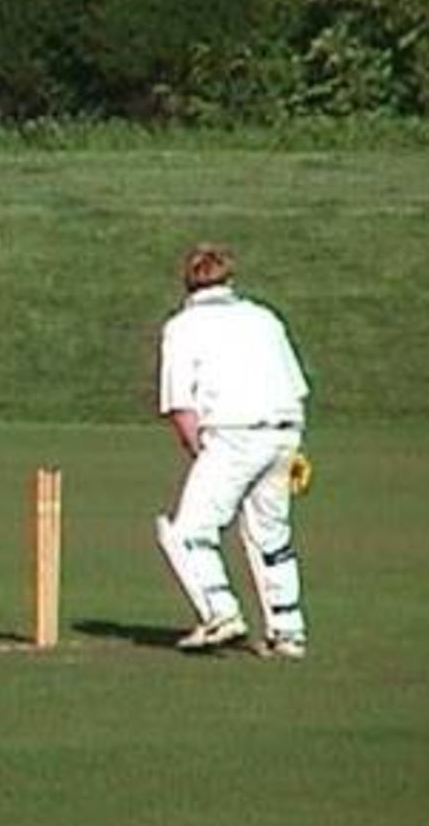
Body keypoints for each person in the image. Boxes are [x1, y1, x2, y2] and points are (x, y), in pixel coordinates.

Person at [154, 244, 310, 659]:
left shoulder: (183, 326)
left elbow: (182, 408)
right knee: (271, 535)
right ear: (230, 278)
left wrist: (201, 452)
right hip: (285, 433)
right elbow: (296, 388)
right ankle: (288, 630)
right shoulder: (265, 318)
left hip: (234, 434)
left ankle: (220, 611)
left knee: (186, 532)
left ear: (187, 282)